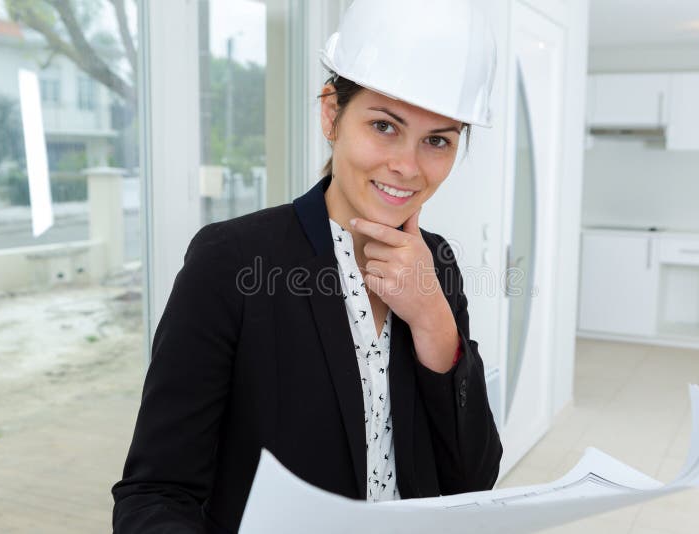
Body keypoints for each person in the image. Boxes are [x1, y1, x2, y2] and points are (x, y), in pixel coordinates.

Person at [111, 0, 501, 532]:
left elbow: (473, 482)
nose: (408, 167)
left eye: (438, 140)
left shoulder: (438, 267)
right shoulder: (232, 263)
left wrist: (435, 322)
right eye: (385, 126)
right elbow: (155, 494)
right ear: (330, 114)